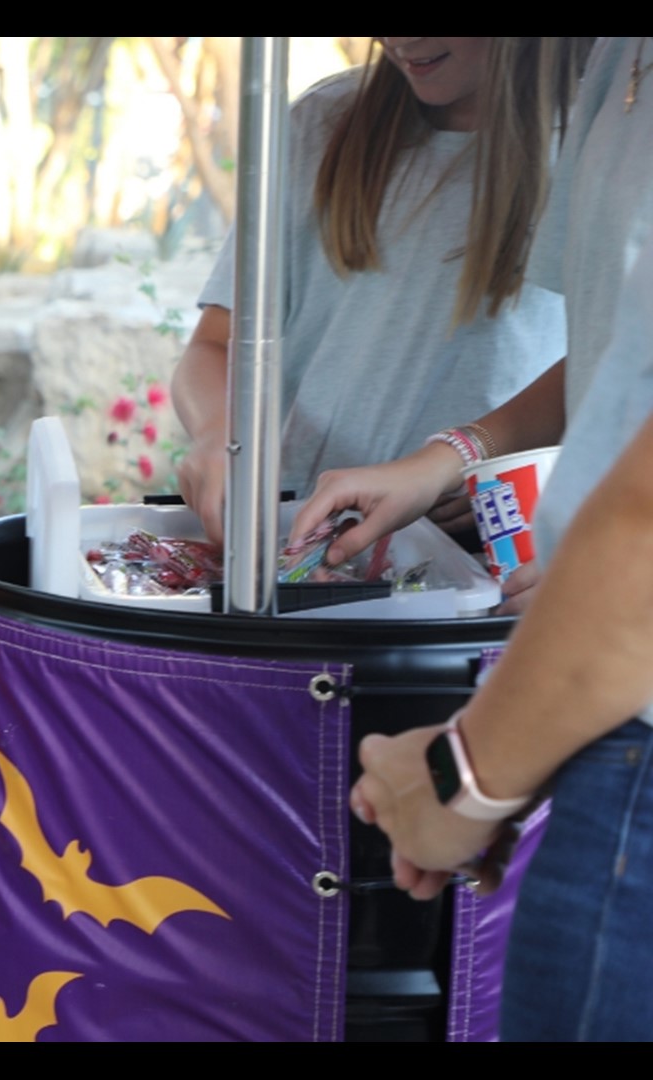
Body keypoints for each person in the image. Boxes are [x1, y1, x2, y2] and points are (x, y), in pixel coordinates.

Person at [339, 35, 653, 1040]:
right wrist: (449, 456)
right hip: (600, 722)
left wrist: (460, 778)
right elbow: (618, 355)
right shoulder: (613, 65)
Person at [173, 38, 576, 547]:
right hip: (299, 535)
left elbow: (606, 370)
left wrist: (455, 461)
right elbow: (213, 344)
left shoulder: (587, 144)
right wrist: (218, 433)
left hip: (479, 554)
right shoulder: (319, 124)